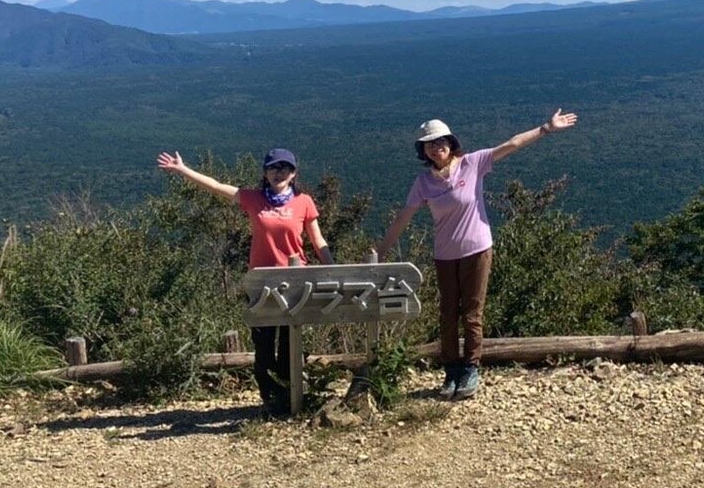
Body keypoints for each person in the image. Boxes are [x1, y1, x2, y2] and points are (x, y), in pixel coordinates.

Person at [375, 109, 578, 400]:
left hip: (477, 250)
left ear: (450, 141)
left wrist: (546, 128)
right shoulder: (424, 183)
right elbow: (402, 219)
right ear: (423, 150)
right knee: (447, 315)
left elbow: (512, 144)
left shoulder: (472, 163)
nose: (436, 147)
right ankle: (451, 371)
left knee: (471, 314)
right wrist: (380, 252)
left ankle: (470, 368)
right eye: (429, 143)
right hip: (444, 255)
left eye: (440, 140)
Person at [156, 146, 333, 415]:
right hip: (260, 283)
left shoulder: (304, 202)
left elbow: (317, 240)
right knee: (263, 344)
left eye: (284, 168)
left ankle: (290, 397)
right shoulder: (253, 199)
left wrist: (332, 270)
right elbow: (216, 187)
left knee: (289, 344)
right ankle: (270, 398)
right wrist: (183, 170)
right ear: (265, 172)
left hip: (295, 282)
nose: (278, 172)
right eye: (273, 168)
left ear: (294, 173)